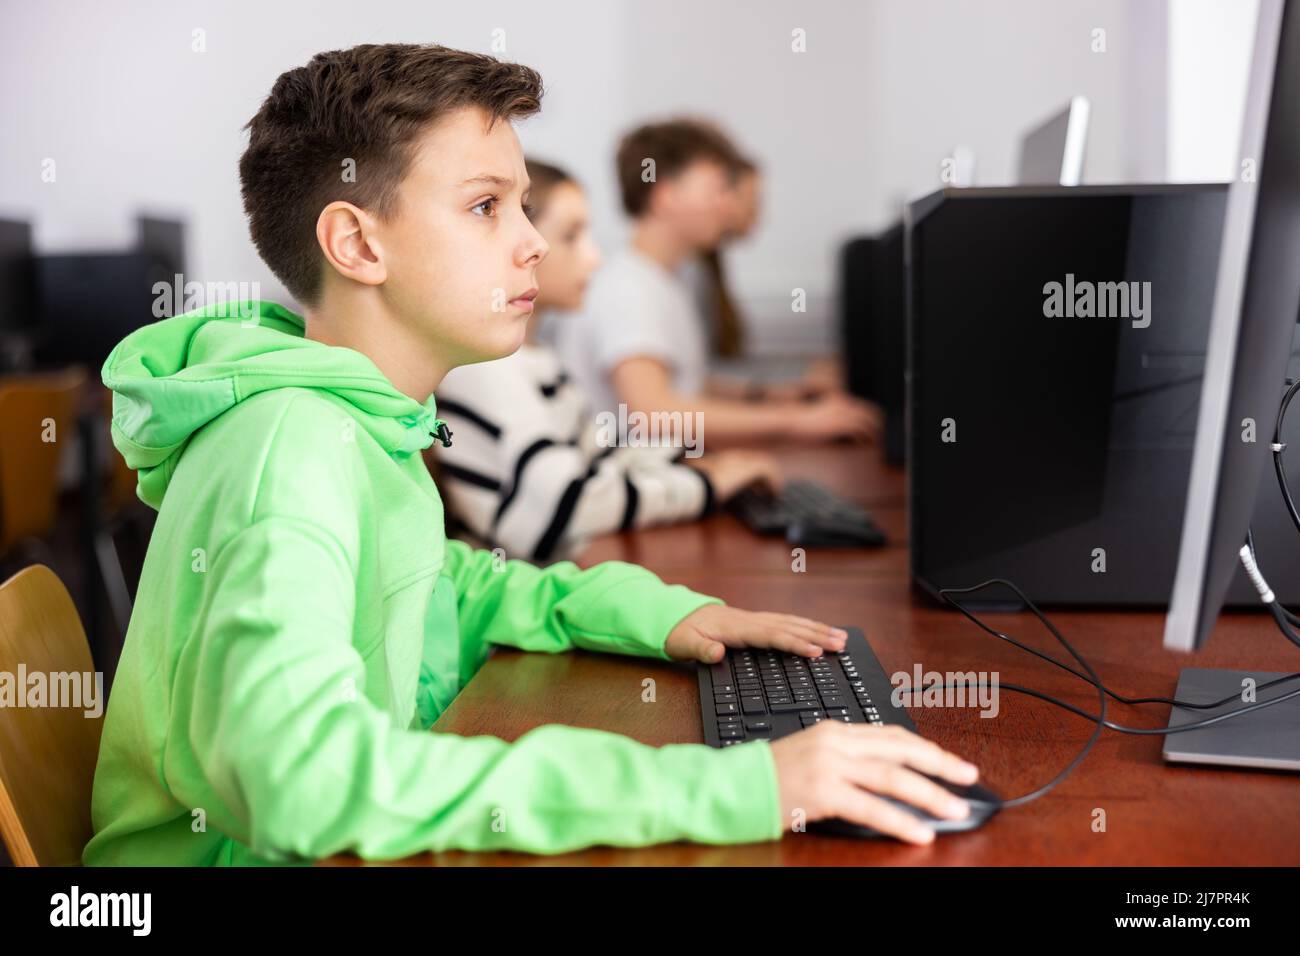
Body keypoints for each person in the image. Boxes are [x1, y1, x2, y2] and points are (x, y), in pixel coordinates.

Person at [85, 45, 981, 865]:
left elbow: (447, 587)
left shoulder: (361, 418)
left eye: (520, 203)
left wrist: (659, 614)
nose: (535, 241)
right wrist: (737, 787)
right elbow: (302, 783)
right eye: (485, 206)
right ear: (358, 244)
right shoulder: (290, 446)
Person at [434, 158, 781, 562]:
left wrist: (692, 467)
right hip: (524, 601)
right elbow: (566, 506)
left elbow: (595, 454)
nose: (595, 258)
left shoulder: (536, 358)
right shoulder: (484, 368)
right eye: (571, 236)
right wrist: (703, 488)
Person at [554, 118, 879, 447]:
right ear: (666, 196)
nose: (727, 205)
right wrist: (795, 422)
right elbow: (651, 414)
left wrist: (769, 395)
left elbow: (681, 384)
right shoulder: (628, 290)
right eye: (717, 189)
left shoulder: (661, 281)